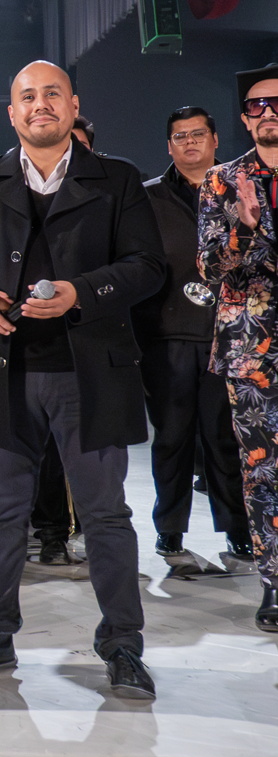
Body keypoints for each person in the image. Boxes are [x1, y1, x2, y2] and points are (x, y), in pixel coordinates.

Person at [0, 59, 163, 699]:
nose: (40, 105)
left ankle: (123, 646)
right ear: (11, 112)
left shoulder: (117, 179)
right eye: (27, 96)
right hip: (3, 372)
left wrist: (82, 292)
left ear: (73, 104)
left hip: (91, 375)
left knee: (107, 516)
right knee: (0, 518)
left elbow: (147, 267)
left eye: (52, 94)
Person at [135, 107, 249, 558]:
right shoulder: (146, 199)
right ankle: (170, 527)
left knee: (226, 437)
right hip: (167, 334)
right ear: (169, 146)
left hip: (230, 331)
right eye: (179, 136)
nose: (189, 142)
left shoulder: (238, 191)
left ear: (215, 139)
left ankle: (237, 526)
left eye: (197, 134)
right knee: (171, 437)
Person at [197, 62, 278, 632]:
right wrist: (244, 228)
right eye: (255, 106)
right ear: (246, 120)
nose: (267, 111)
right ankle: (274, 583)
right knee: (264, 470)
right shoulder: (222, 181)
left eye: (275, 102)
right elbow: (208, 266)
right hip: (251, 349)